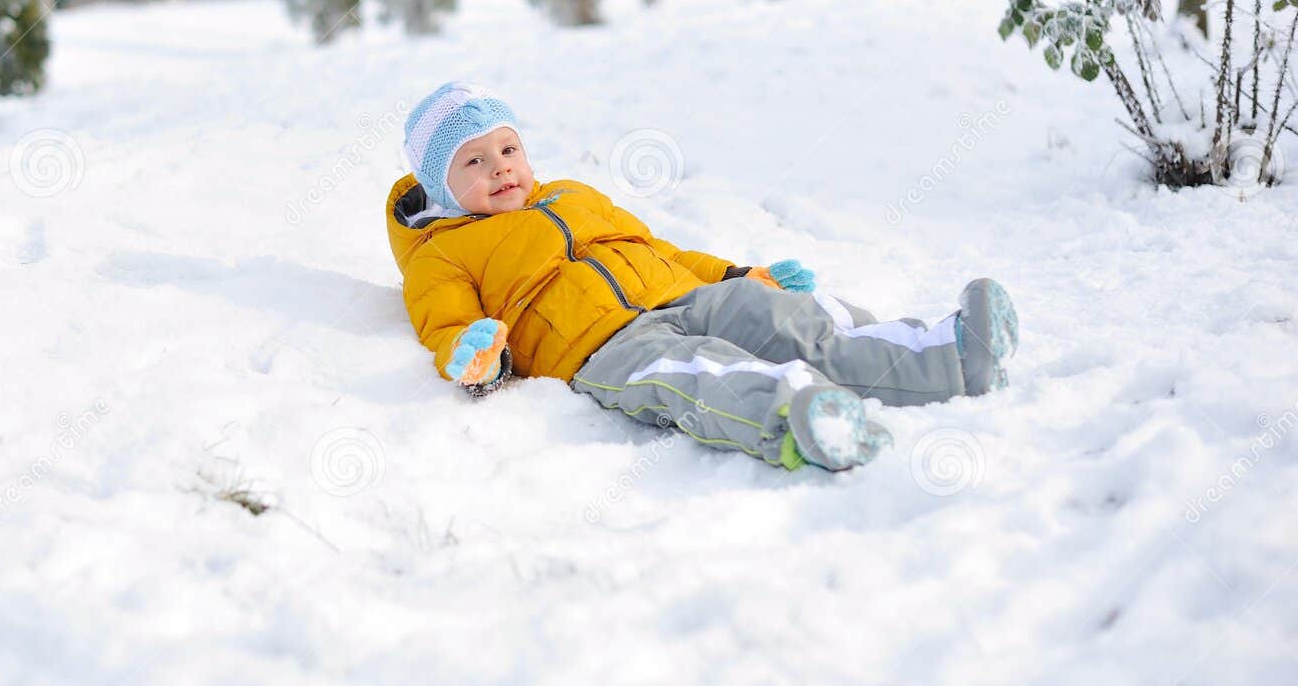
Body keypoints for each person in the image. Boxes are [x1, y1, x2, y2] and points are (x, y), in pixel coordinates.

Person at [384, 82, 1019, 472]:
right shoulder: (441, 253)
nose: (500, 168)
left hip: (680, 295)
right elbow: (448, 326)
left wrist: (741, 274)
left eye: (508, 148)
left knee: (783, 319)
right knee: (700, 374)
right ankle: (801, 422)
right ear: (443, 185)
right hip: (603, 347)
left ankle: (950, 356)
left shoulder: (571, 193)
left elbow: (658, 247)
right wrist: (475, 357)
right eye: (473, 161)